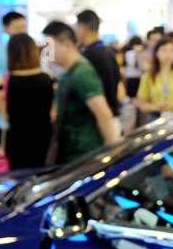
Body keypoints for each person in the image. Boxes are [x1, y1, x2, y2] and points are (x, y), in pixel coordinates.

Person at [43, 20, 120, 164]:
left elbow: (103, 114)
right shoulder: (70, 72)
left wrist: (113, 155)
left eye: (49, 47)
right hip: (73, 153)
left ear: (67, 44)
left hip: (84, 154)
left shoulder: (82, 73)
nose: (46, 53)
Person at [1, 33, 54, 169]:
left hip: (17, 141)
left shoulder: (8, 80)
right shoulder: (46, 79)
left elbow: (5, 117)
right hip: (43, 139)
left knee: (20, 182)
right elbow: (53, 114)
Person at [0, 11, 26, 144]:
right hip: (8, 122)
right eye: (17, 28)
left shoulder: (32, 51)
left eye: (24, 27)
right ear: (5, 29)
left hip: (34, 119)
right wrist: (5, 117)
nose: (22, 31)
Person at [135, 36, 173, 120]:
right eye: (164, 51)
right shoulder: (148, 76)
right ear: (156, 53)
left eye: (172, 51)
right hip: (156, 118)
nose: (168, 55)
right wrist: (156, 107)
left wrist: (171, 104)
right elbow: (142, 105)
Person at [75, 8, 122, 114]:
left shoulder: (89, 55)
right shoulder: (109, 52)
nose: (75, 30)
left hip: (98, 116)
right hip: (111, 111)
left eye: (76, 26)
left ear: (83, 27)